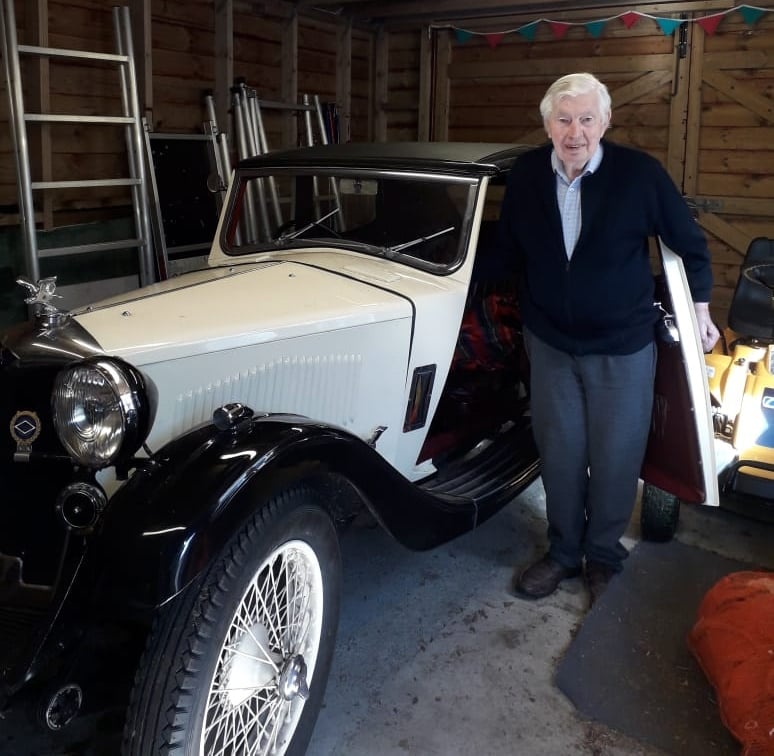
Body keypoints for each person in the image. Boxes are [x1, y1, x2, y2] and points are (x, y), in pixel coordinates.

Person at [495, 72, 719, 605]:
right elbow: (506, 250)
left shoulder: (639, 175)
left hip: (622, 344)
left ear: (605, 122)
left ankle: (604, 555)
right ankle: (563, 553)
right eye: (564, 119)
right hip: (550, 342)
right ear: (548, 124)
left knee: (617, 456)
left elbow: (688, 245)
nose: (576, 132)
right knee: (561, 452)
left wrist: (701, 310)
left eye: (586, 119)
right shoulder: (526, 175)